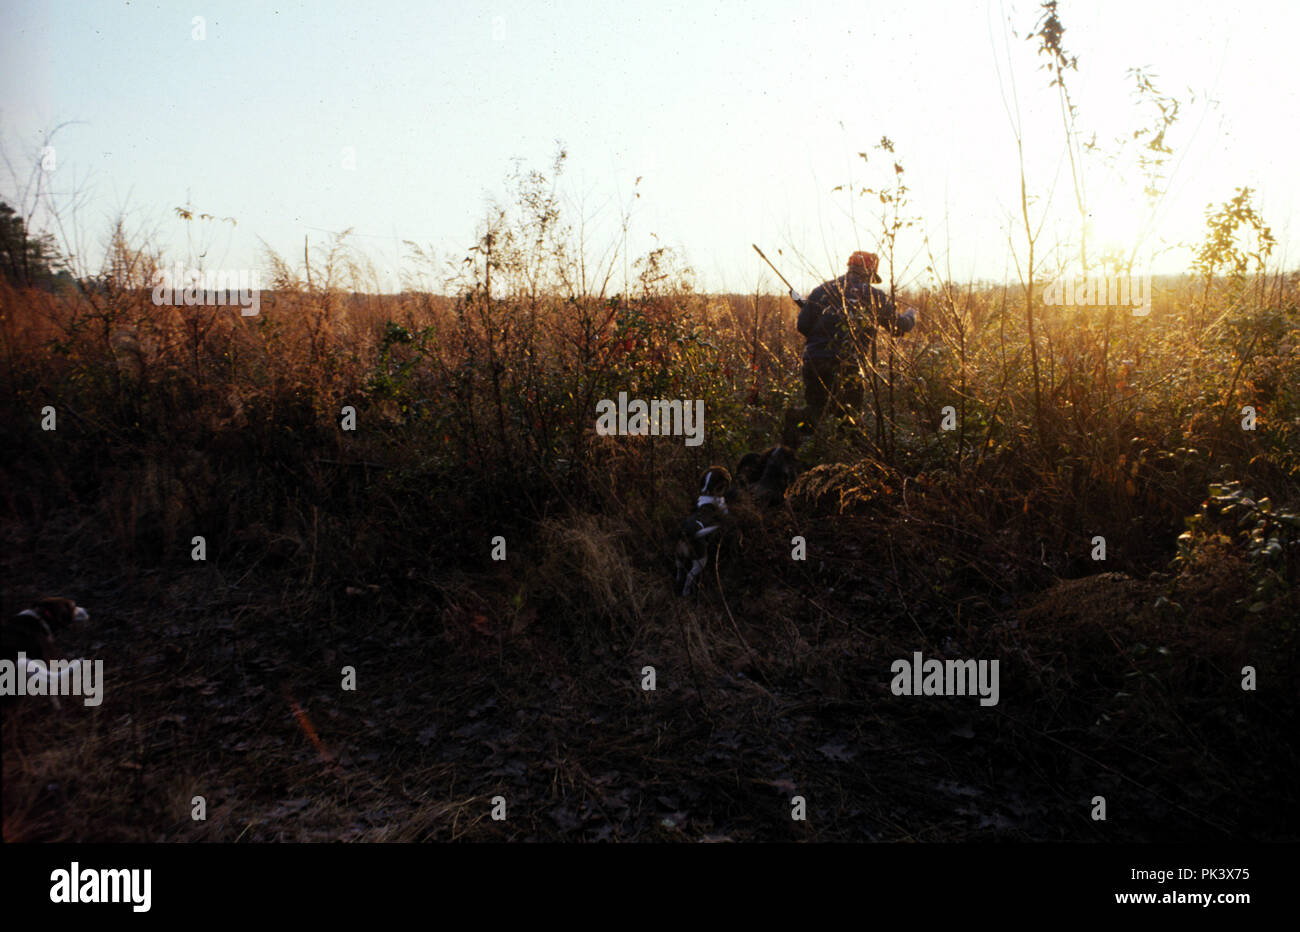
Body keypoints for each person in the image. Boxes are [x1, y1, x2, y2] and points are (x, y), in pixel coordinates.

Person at [782, 251, 916, 448]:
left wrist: (824, 327)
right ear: (870, 272)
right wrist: (911, 315)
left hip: (814, 360)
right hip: (849, 364)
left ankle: (796, 445)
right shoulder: (873, 295)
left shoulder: (821, 291)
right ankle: (847, 462)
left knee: (816, 411)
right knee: (849, 418)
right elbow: (899, 327)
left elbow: (803, 326)